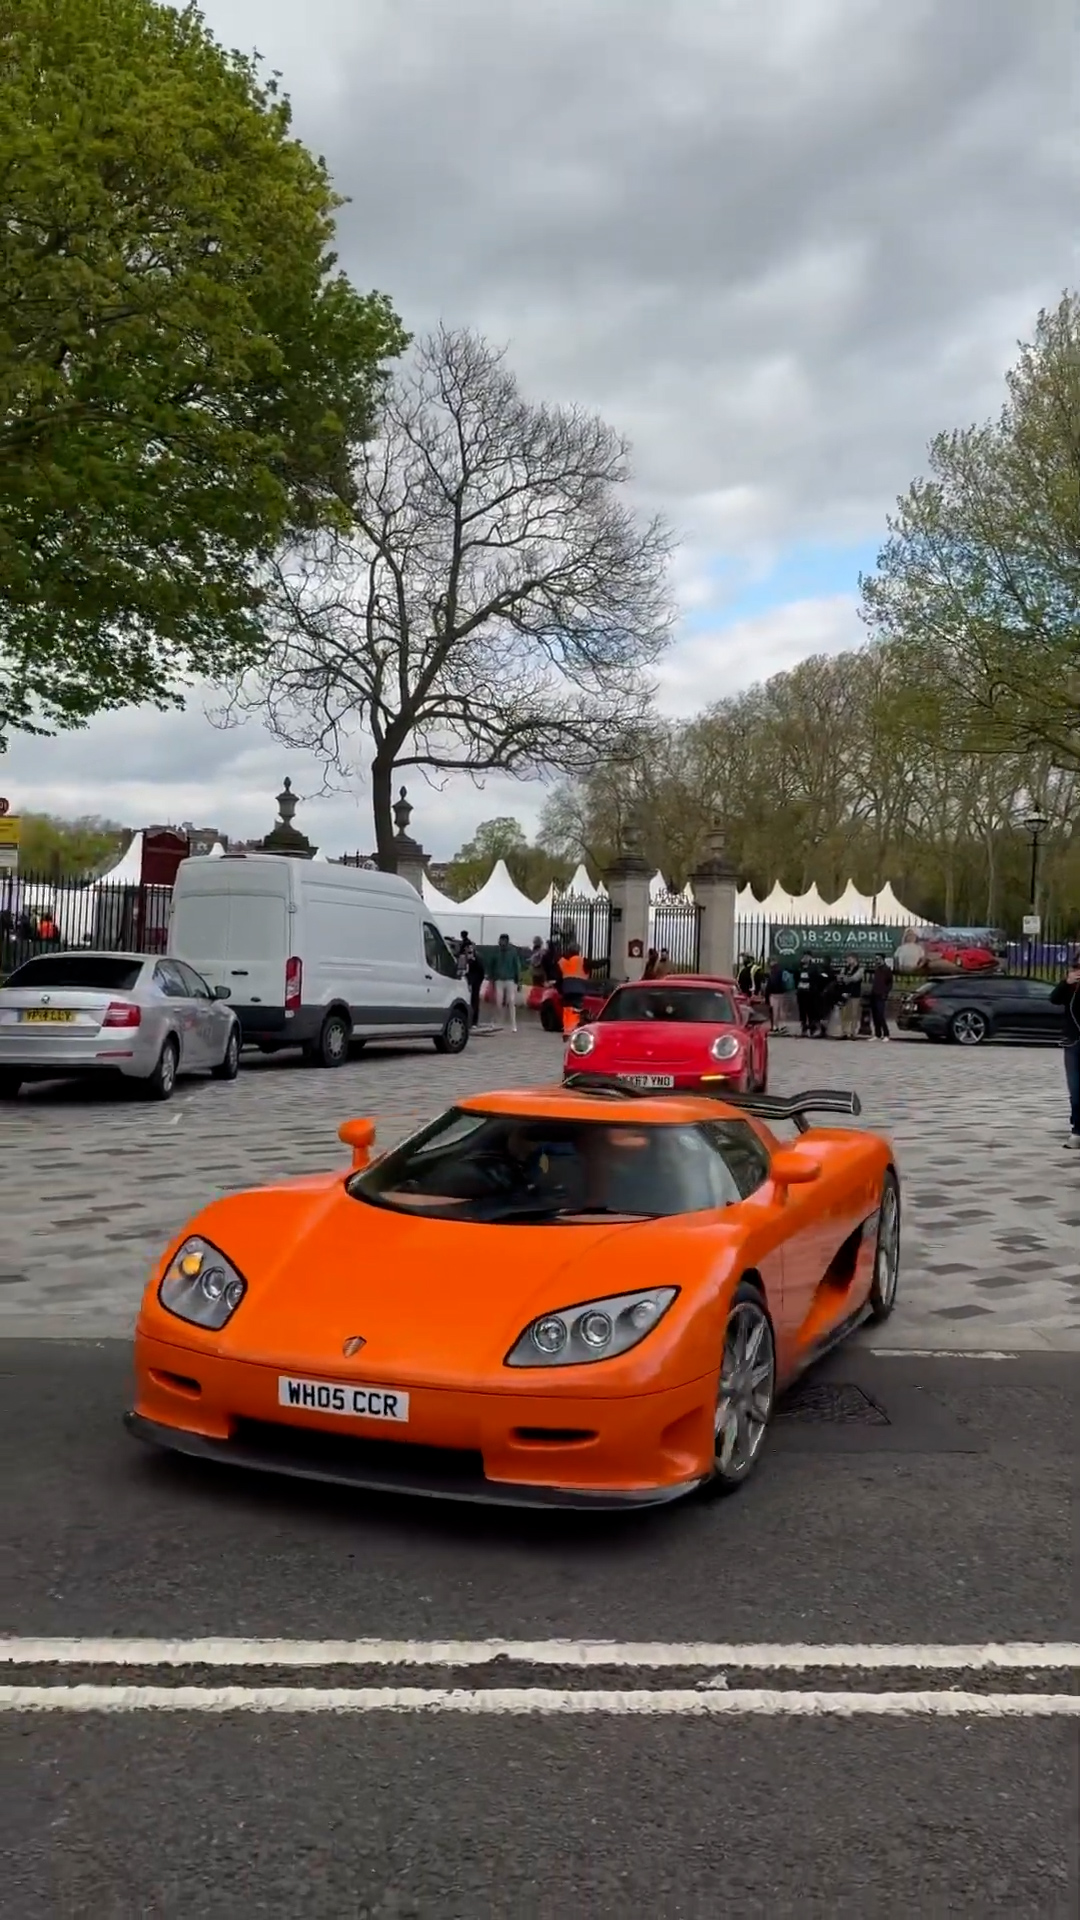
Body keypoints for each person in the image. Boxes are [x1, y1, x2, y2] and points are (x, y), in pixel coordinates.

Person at [1050, 954, 1080, 1147]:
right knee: (1076, 1089)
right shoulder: (1071, 988)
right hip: (1073, 1043)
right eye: (1077, 966)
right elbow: (1054, 999)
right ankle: (1077, 1130)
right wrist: (1066, 983)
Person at [486, 933, 522, 1031]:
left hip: (510, 979)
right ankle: (497, 1021)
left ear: (506, 941)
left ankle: (513, 1025)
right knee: (498, 1001)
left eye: (503, 940)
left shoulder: (512, 952)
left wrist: (518, 981)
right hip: (499, 979)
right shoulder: (496, 951)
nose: (501, 942)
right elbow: (491, 965)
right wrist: (491, 978)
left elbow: (516, 966)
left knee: (511, 1001)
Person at [458, 932, 485, 1028]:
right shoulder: (462, 956)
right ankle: (467, 1020)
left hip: (475, 980)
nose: (468, 951)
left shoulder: (477, 958)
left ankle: (474, 1021)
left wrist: (472, 960)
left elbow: (481, 971)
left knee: (474, 999)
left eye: (470, 950)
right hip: (467, 979)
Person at [838, 954, 863, 1038]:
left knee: (853, 1014)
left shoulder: (860, 969)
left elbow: (855, 978)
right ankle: (844, 1032)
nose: (848, 961)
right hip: (845, 994)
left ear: (855, 959)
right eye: (847, 959)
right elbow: (839, 978)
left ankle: (853, 1032)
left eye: (849, 959)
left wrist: (845, 978)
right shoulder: (844, 968)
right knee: (844, 1014)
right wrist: (845, 978)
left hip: (855, 994)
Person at [869, 953, 893, 1039]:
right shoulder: (877, 969)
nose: (877, 960)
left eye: (878, 958)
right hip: (874, 994)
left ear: (882, 959)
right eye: (876, 959)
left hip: (881, 995)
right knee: (875, 1015)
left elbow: (890, 983)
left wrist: (885, 993)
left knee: (880, 1015)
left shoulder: (887, 969)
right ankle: (877, 1034)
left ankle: (886, 1034)